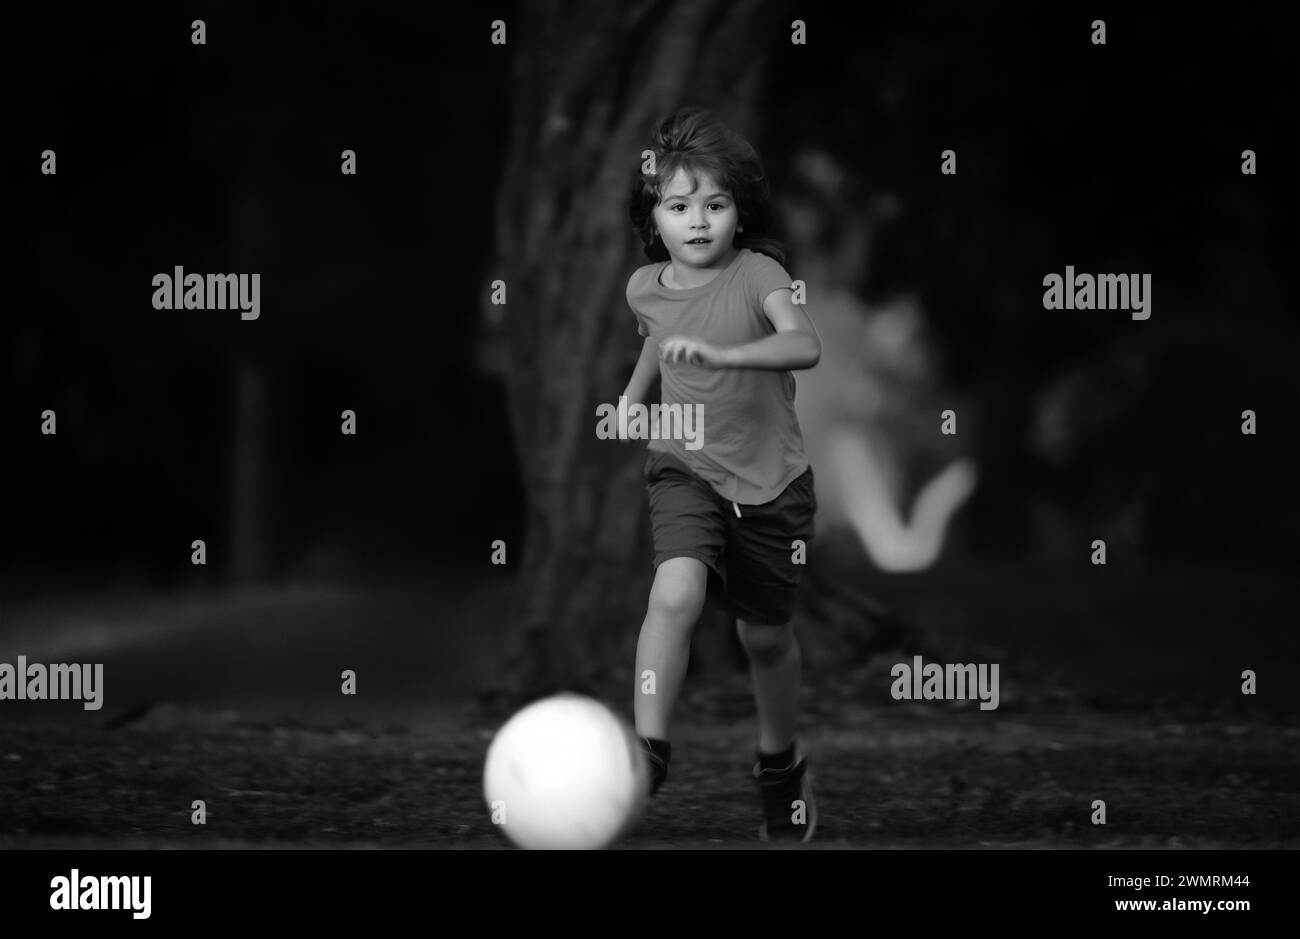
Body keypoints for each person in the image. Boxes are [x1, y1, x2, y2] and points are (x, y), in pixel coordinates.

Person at [619, 107, 822, 842]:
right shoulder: (645, 287)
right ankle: (648, 751)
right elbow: (657, 338)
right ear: (654, 217)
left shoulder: (761, 274)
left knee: (763, 638)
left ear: (739, 212)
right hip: (685, 464)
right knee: (675, 589)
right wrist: (633, 399)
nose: (698, 220)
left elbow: (805, 345)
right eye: (679, 206)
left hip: (772, 483)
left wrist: (734, 356)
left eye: (715, 203)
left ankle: (779, 762)